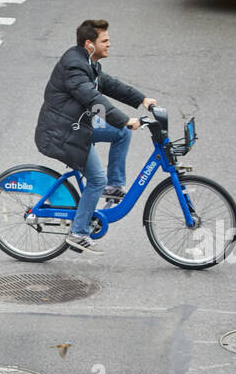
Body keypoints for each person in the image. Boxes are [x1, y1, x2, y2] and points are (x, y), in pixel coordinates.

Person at [35, 19, 157, 255]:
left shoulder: (87, 62)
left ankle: (114, 186)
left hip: (77, 125)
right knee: (96, 179)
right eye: (105, 40)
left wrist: (141, 100)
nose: (110, 44)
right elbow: (93, 100)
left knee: (120, 134)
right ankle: (79, 232)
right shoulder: (75, 68)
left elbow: (109, 85)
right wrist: (125, 119)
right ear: (89, 44)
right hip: (62, 133)